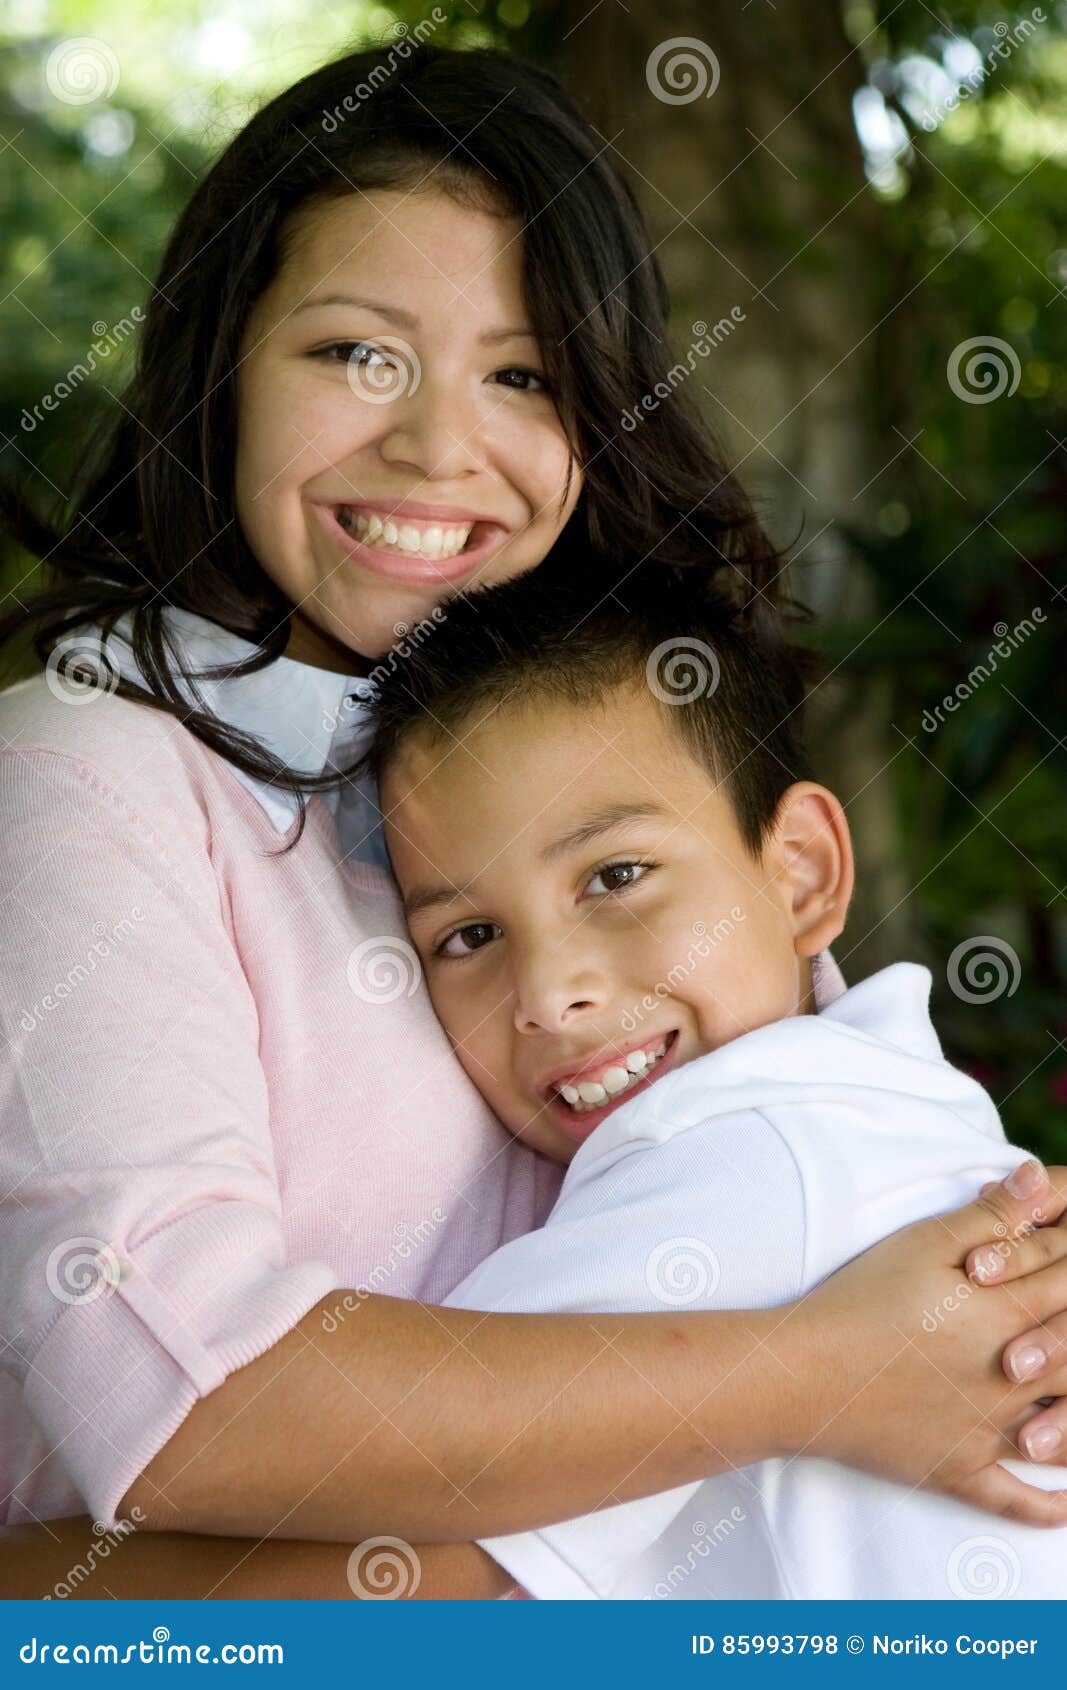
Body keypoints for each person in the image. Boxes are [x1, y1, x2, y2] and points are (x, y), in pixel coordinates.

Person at [2, 44, 1066, 1602]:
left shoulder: (605, 736)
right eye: (356, 354)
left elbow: (821, 1154)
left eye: (521, 375)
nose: (440, 447)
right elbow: (186, 1396)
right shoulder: (86, 768)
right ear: (220, 366)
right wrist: (823, 1368)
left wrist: (1007, 1289)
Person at [366, 557, 1067, 1598]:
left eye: (614, 876)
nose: (550, 993)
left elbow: (351, 1505)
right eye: (468, 934)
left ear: (800, 874)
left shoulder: (731, 1150)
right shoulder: (882, 1111)